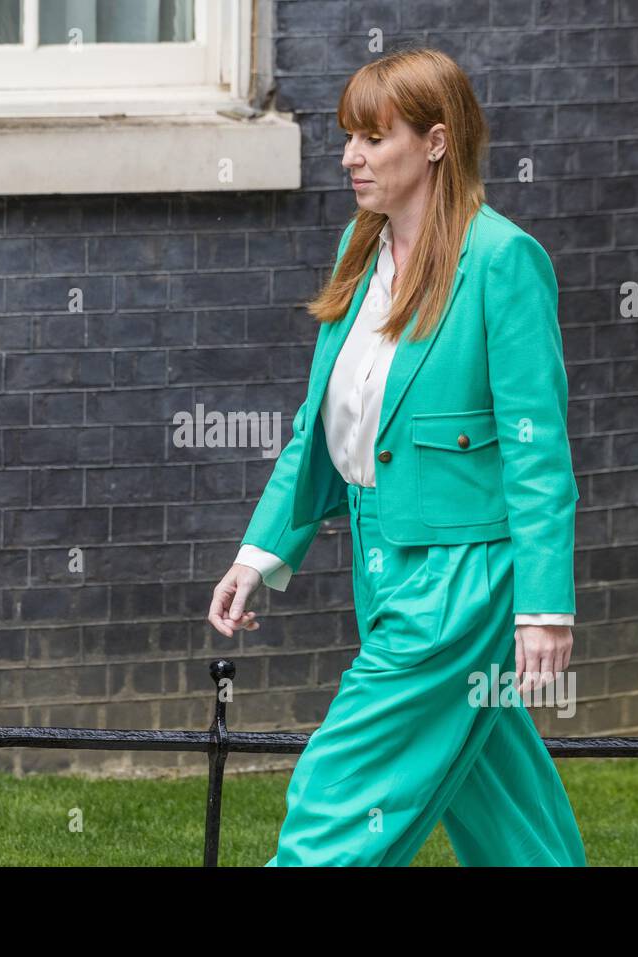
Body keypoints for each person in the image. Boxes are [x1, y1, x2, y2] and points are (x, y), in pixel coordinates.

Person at [206, 46, 587, 867]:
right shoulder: (362, 244)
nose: (350, 156)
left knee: (341, 784)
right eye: (350, 137)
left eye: (373, 138)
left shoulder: (501, 262)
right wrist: (261, 550)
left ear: (437, 142)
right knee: (499, 791)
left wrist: (545, 607)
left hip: (464, 572)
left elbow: (538, 451)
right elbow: (324, 420)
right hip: (381, 556)